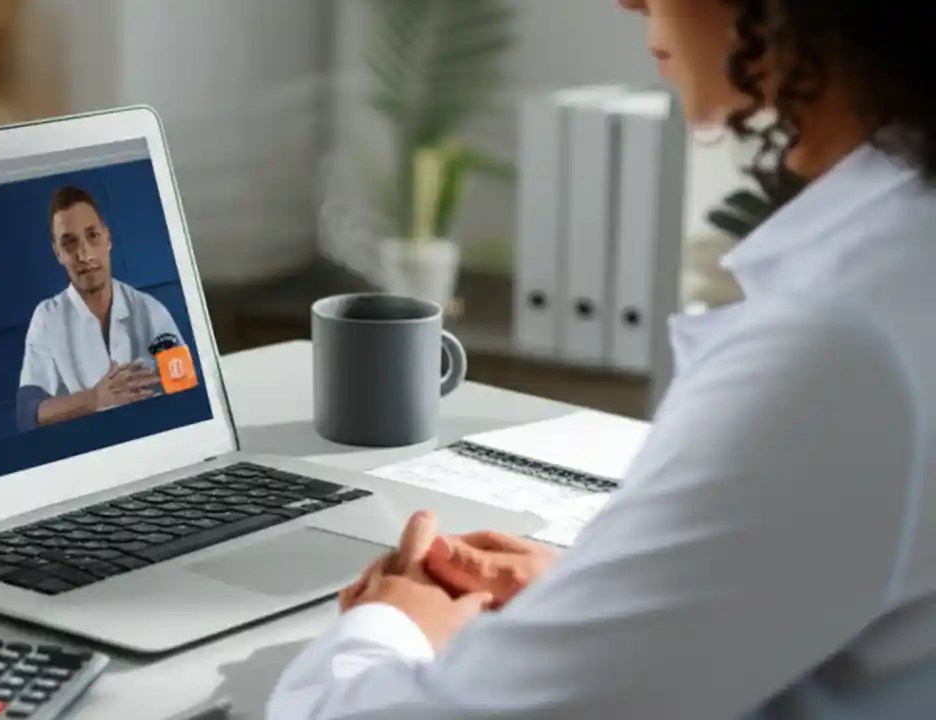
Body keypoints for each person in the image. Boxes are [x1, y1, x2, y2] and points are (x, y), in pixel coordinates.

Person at [268, 1, 936, 717]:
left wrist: (390, 624)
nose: (628, 0)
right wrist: (613, 604)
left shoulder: (834, 347)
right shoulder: (901, 247)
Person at [17, 186, 185, 431]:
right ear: (57, 253)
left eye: (92, 236)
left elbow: (185, 386)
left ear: (108, 238)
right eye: (69, 243)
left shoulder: (150, 310)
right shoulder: (47, 318)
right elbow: (27, 414)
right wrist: (95, 399)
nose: (84, 255)